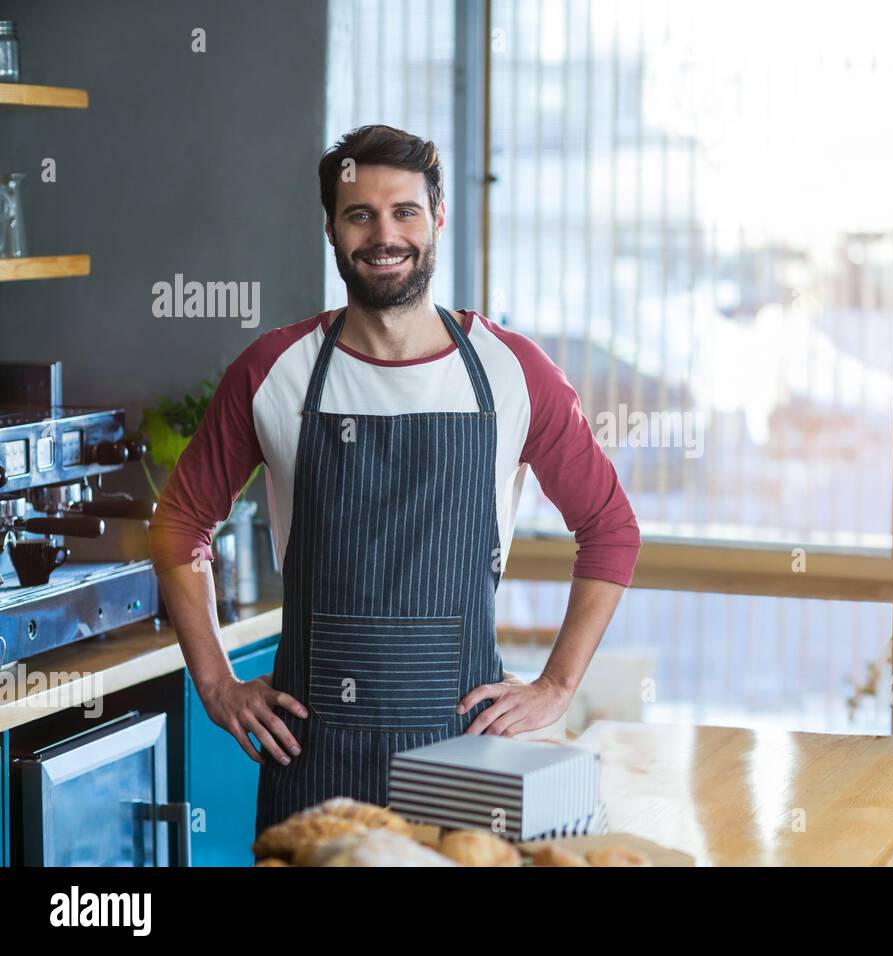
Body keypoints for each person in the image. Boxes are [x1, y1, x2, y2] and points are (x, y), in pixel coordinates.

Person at [148, 124, 640, 834]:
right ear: (331, 229)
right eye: (360, 214)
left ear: (437, 218)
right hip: (311, 762)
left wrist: (558, 686)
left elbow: (611, 528)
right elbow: (177, 525)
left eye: (404, 211)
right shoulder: (273, 371)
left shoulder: (511, 372)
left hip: (467, 763)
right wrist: (215, 683)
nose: (385, 234)